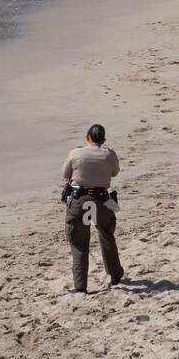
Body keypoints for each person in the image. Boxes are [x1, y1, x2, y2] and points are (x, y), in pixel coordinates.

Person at [62, 124, 123, 294]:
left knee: (79, 243)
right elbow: (115, 172)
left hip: (79, 201)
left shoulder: (75, 153)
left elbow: (65, 174)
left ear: (87, 137)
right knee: (107, 236)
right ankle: (115, 274)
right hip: (102, 199)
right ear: (103, 139)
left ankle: (81, 285)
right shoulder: (109, 154)